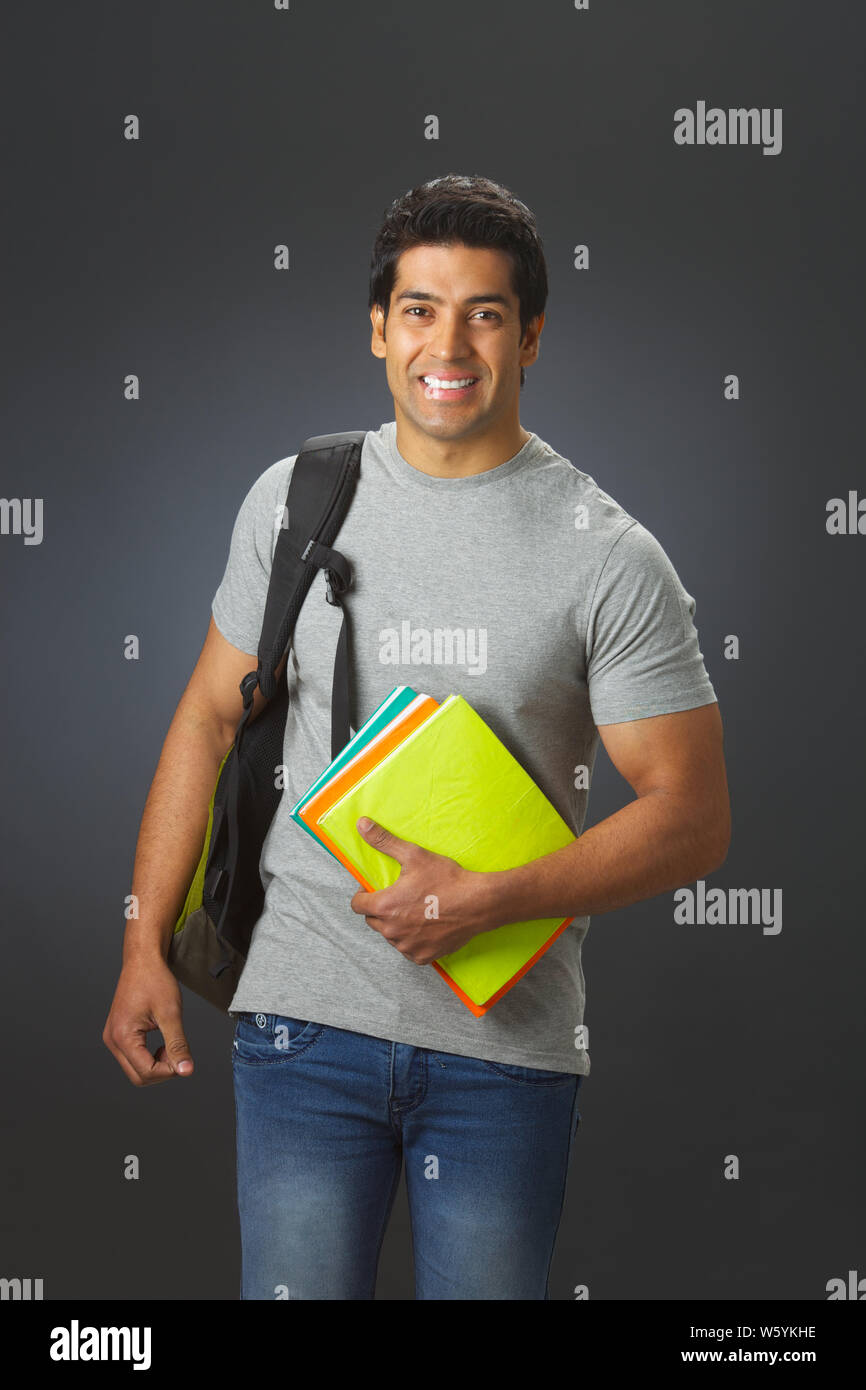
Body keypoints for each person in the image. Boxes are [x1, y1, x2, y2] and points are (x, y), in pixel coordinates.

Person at [103, 173, 731, 1300]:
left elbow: (691, 816)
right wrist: (145, 943)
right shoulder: (295, 500)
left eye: (485, 312)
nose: (449, 343)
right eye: (420, 309)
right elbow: (206, 713)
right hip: (300, 1030)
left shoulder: (607, 554)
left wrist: (488, 898)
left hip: (504, 1054)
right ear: (379, 329)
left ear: (530, 334)